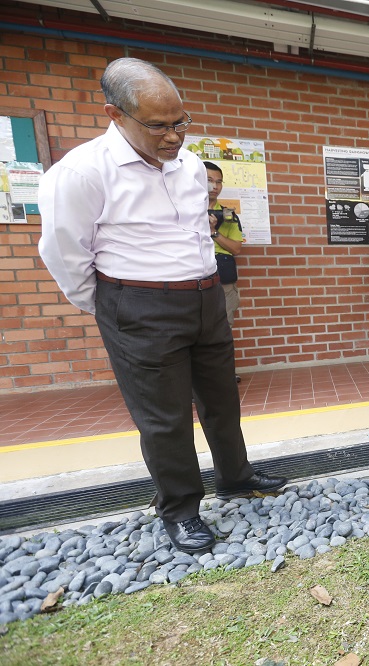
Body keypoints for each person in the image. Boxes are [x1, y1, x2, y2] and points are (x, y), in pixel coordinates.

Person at [37, 57, 286, 554]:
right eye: (157, 126)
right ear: (115, 114)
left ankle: (234, 477)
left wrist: (206, 284)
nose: (173, 137)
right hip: (137, 304)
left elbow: (197, 231)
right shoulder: (83, 173)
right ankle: (180, 508)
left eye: (179, 123)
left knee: (221, 400)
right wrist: (114, 305)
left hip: (204, 296)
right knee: (164, 418)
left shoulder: (190, 164)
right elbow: (64, 252)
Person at [205, 161, 244, 382]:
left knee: (224, 328)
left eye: (219, 181)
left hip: (223, 280)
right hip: (192, 282)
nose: (215, 186)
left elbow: (236, 247)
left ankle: (223, 375)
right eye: (209, 180)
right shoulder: (181, 211)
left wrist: (213, 232)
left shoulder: (228, 215)